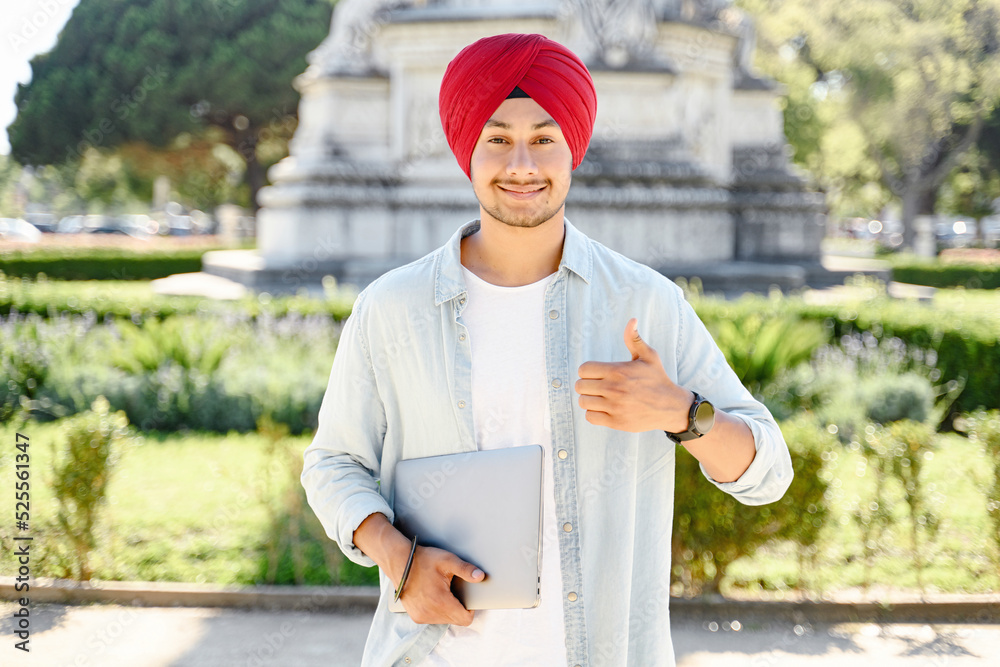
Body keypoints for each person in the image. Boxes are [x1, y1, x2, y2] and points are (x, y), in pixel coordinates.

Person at [301, 32, 793, 667]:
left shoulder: (646, 303)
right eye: (498, 138)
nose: (522, 165)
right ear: (466, 150)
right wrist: (399, 559)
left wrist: (682, 413)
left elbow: (769, 471)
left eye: (544, 139)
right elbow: (334, 464)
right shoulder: (391, 307)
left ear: (573, 149)